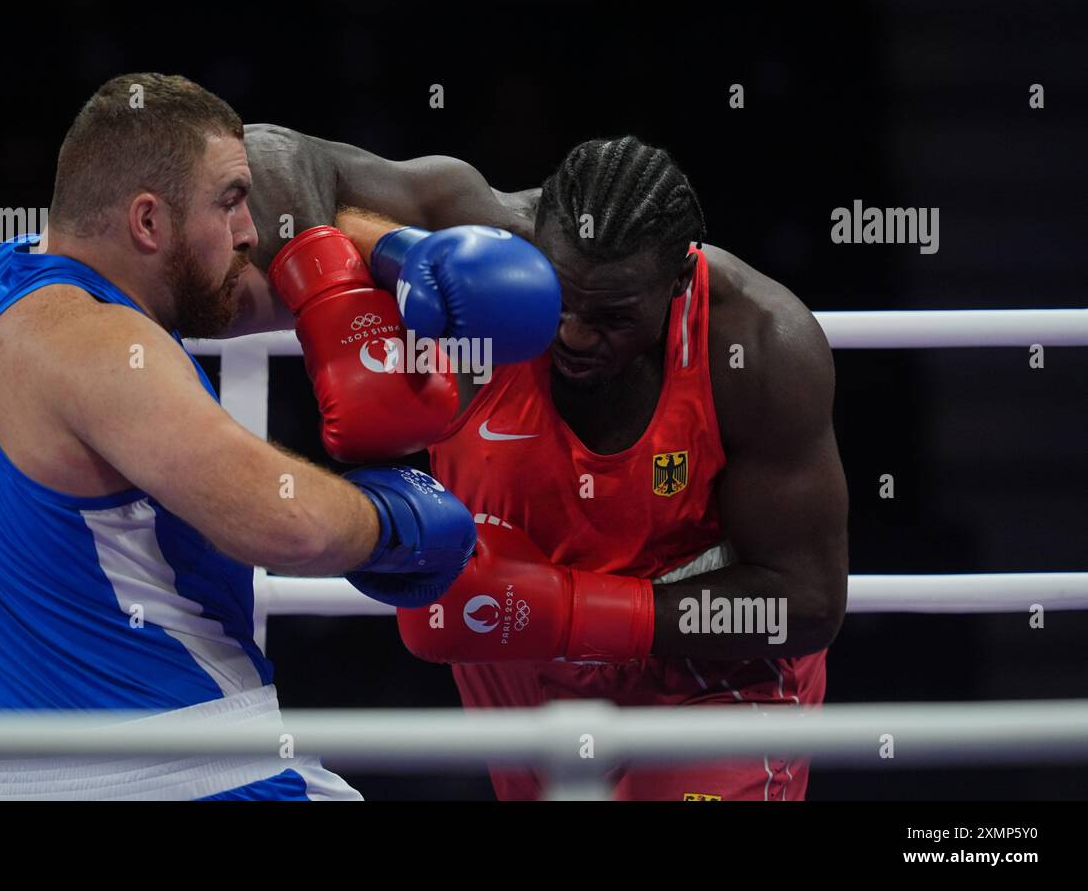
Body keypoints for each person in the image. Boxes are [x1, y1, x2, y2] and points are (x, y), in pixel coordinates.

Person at [241, 126, 850, 800]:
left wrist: (567, 610)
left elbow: (810, 603)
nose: (576, 333)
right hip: (524, 671)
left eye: (613, 315)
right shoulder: (481, 235)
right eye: (561, 299)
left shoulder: (759, 344)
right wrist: (346, 303)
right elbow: (265, 152)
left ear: (679, 277)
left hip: (709, 680)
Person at [0, 73, 482, 801]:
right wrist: (398, 521)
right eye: (230, 201)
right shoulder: (98, 347)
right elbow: (287, 521)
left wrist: (390, 262)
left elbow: (244, 288)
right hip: (184, 771)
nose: (251, 229)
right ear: (149, 222)